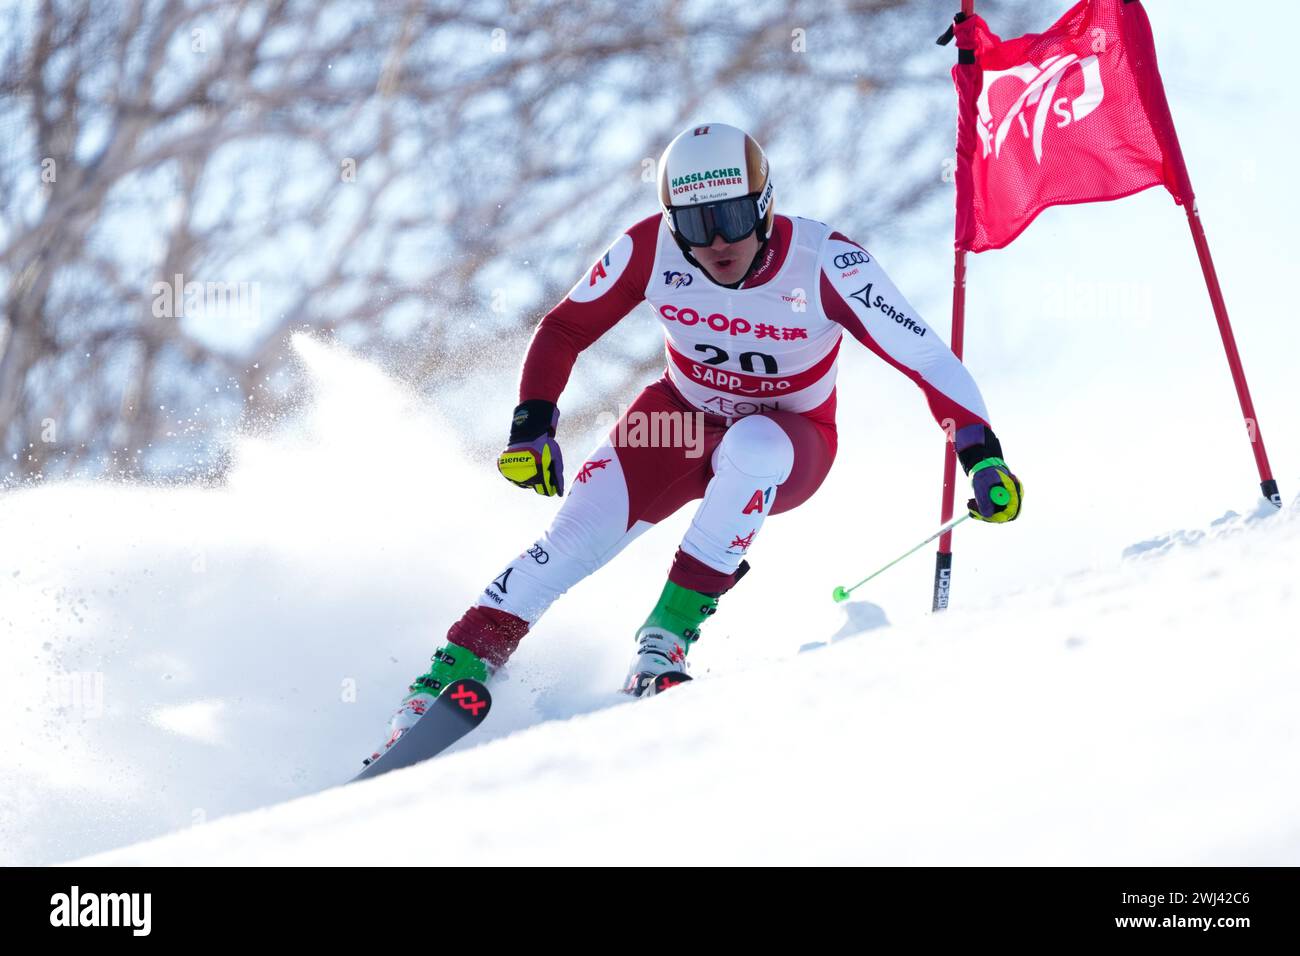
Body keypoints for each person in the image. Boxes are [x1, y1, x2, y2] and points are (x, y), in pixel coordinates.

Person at [368, 122, 1022, 758]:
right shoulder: (650, 248)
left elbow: (927, 359)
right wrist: (534, 426)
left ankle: (665, 641)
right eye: (694, 224)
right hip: (678, 424)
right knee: (568, 545)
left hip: (792, 440)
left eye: (733, 218)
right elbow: (565, 328)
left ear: (765, 207)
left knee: (758, 444)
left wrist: (980, 455)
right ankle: (445, 679)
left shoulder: (829, 262)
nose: (715, 242)